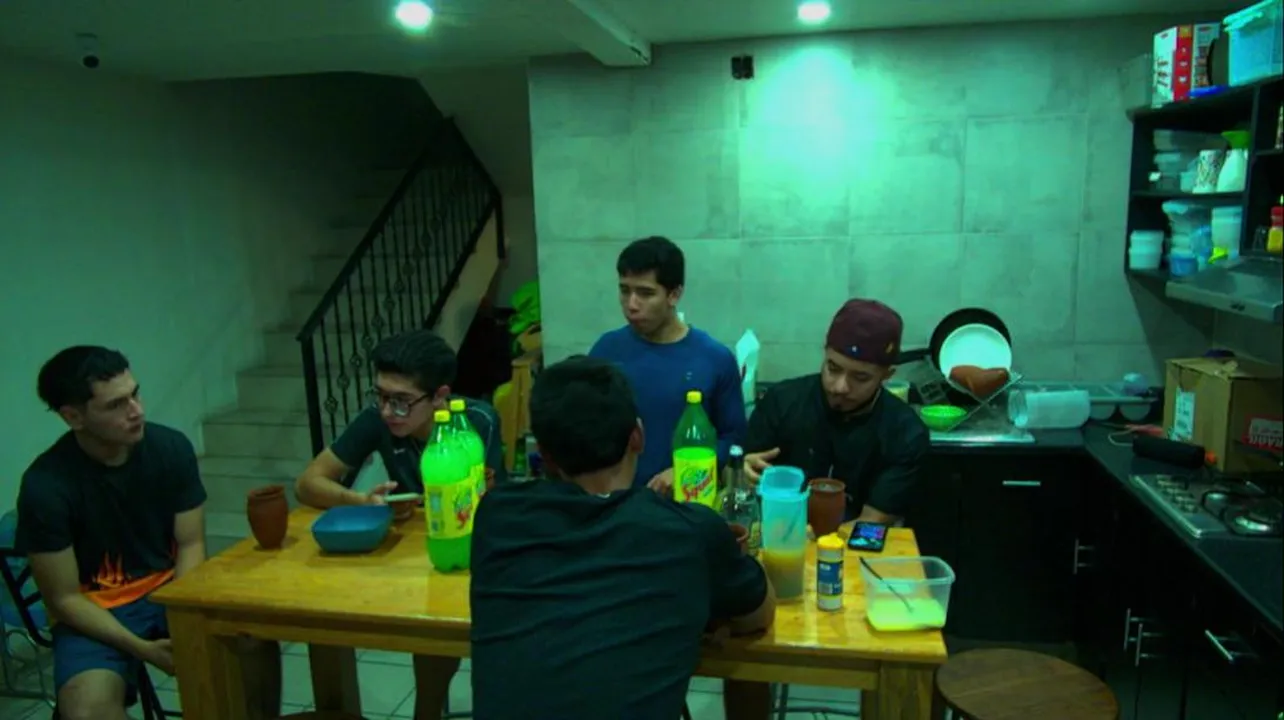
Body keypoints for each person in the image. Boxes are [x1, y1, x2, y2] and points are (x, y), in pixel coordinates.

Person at [470, 356, 775, 720]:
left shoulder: (496, 516)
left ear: (545, 455)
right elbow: (760, 612)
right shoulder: (687, 530)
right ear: (638, 437)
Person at [14, 346, 281, 720]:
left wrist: (185, 616)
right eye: (116, 405)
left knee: (255, 638)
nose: (136, 410)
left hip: (171, 588)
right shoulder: (45, 486)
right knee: (86, 710)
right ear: (73, 416)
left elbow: (191, 544)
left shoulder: (170, 448)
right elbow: (64, 600)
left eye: (135, 394)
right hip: (94, 612)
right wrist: (143, 649)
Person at [293, 328, 506, 720]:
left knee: (440, 628)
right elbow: (308, 483)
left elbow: (487, 503)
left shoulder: (474, 423)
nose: (388, 411)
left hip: (467, 551)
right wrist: (361, 500)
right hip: (410, 558)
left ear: (440, 396)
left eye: (402, 401)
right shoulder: (377, 419)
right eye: (380, 396)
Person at [744, 299, 930, 524]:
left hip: (853, 542)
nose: (840, 387)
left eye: (860, 377)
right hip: (777, 533)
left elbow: (871, 522)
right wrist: (739, 473)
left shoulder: (905, 433)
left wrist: (805, 541)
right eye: (833, 368)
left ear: (887, 375)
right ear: (825, 354)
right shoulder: (781, 402)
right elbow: (741, 485)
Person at [588, 236, 747, 494]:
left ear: (674, 294)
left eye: (645, 293)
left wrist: (687, 468)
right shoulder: (606, 351)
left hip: (687, 501)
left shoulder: (714, 359)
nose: (631, 305)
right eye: (625, 290)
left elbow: (734, 440)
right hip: (617, 502)